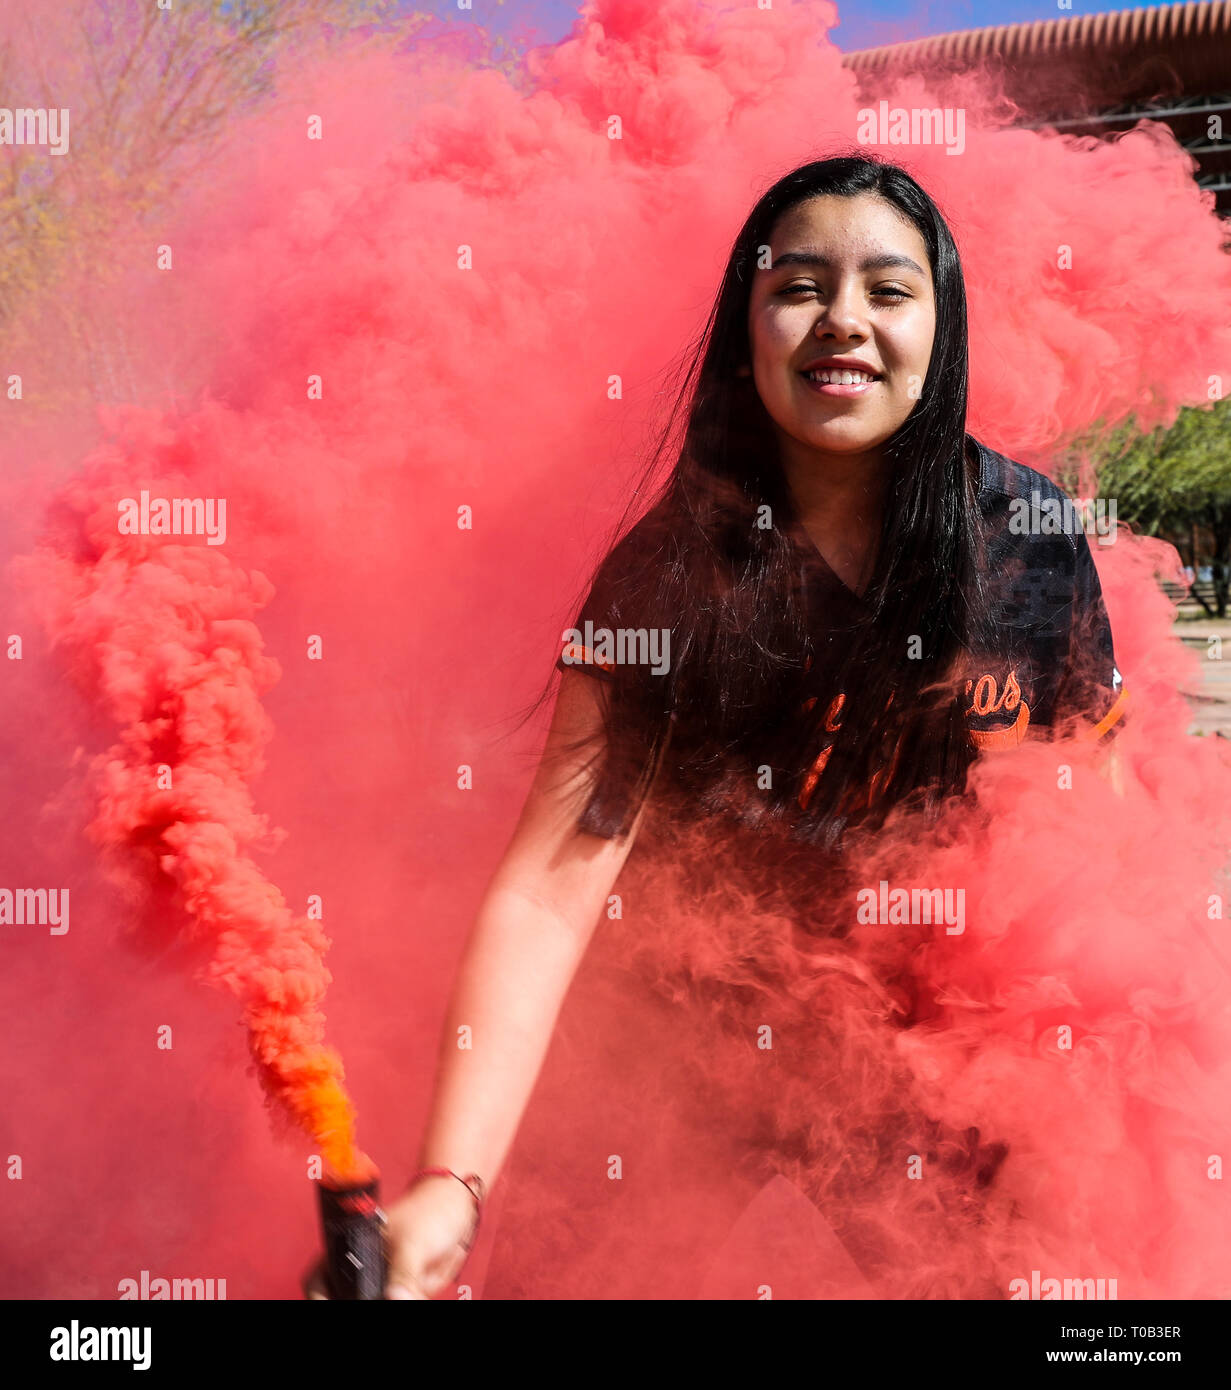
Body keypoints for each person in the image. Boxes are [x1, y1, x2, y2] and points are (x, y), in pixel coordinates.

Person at [307, 154, 1127, 1300]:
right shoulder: (660, 578)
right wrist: (454, 1182)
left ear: (942, 331)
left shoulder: (1024, 541)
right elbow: (550, 887)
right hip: (671, 1039)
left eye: (889, 290)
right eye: (798, 284)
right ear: (744, 326)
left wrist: (1066, 1155)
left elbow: (1083, 869)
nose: (843, 319)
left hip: (921, 1049)